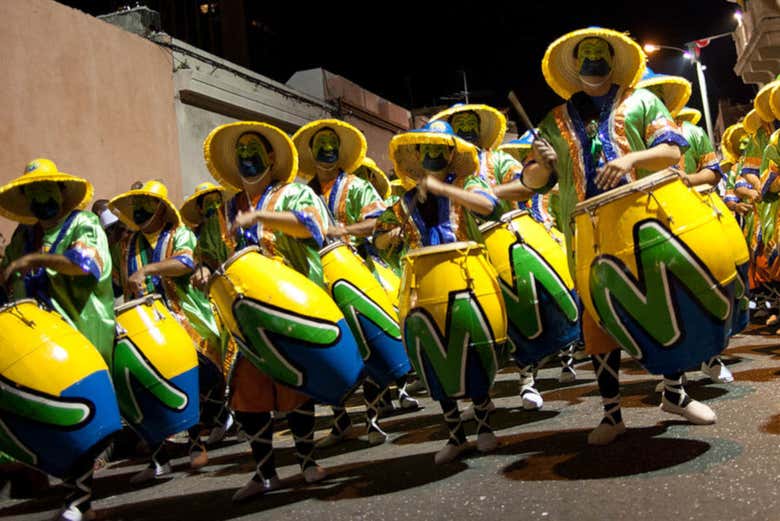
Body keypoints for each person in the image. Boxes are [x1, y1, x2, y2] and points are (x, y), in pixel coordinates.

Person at [501, 27, 716, 446]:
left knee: (663, 306)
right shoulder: (554, 119)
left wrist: (633, 158)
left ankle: (675, 394)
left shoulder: (643, 101)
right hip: (584, 230)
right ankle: (612, 414)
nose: (593, 58)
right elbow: (533, 181)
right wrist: (542, 164)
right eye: (586, 53)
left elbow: (673, 150)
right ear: (575, 64)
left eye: (600, 51)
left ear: (613, 59)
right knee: (597, 317)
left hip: (644, 220)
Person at [198, 121, 329, 501]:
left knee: (294, 386)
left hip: (289, 307)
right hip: (241, 316)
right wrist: (204, 268)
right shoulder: (223, 212)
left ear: (271, 157)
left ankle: (307, 461)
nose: (247, 158)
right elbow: (206, 253)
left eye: (254, 150)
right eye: (241, 152)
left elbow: (312, 228)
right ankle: (264, 472)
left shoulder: (292, 194)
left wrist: (261, 218)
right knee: (246, 393)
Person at [375, 120, 502, 464]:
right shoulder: (404, 201)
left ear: (450, 153)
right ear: (416, 154)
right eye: (425, 148)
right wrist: (390, 238)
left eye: (439, 148)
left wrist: (445, 191)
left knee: (471, 347)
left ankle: (485, 425)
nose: (432, 154)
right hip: (420, 283)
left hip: (464, 276)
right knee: (431, 356)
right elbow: (379, 237)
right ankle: (455, 434)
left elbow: (490, 206)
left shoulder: (468, 183)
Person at [0, 158, 115, 521]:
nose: (40, 198)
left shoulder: (84, 223)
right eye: (32, 192)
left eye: (46, 190)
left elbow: (85, 264)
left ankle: (81, 503)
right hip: (34, 336)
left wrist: (34, 260)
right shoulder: (23, 233)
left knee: (74, 409)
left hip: (78, 328)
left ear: (62, 191)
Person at [292, 119, 418, 447]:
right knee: (334, 348)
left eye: (331, 144)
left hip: (357, 270)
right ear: (310, 151)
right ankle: (341, 421)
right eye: (319, 144)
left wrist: (342, 232)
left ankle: (372, 417)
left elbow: (382, 220)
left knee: (367, 344)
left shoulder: (358, 186)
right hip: (317, 276)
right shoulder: (301, 192)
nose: (326, 150)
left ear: (340, 151)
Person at [109, 180, 223, 481]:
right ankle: (159, 459)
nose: (141, 211)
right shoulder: (126, 245)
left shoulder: (179, 234)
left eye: (148, 204)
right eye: (138, 205)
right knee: (143, 385)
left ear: (162, 208)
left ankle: (197, 441)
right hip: (143, 326)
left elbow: (186, 262)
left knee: (191, 379)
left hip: (181, 318)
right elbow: (119, 283)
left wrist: (147, 270)